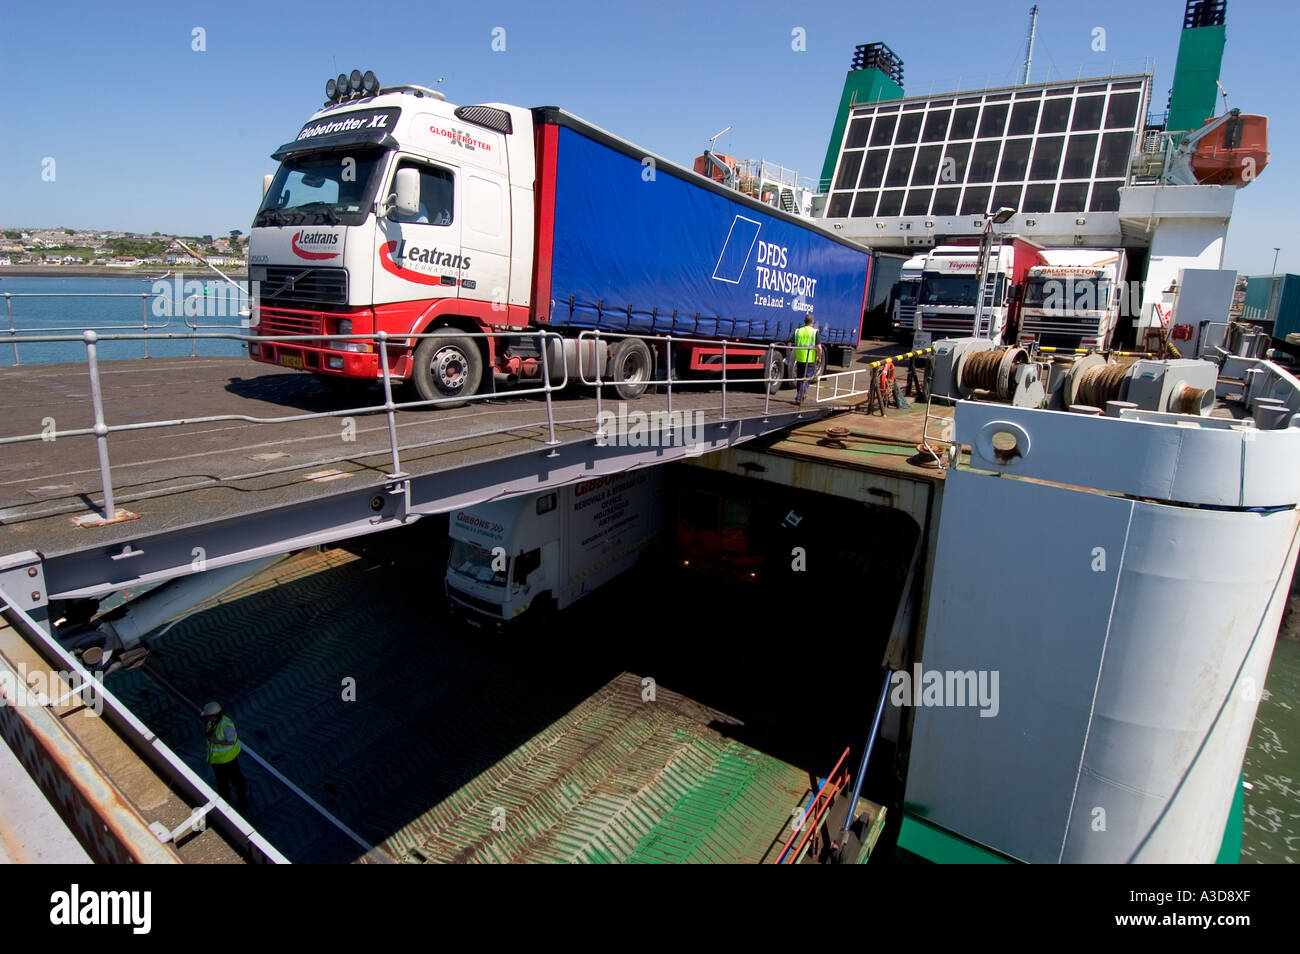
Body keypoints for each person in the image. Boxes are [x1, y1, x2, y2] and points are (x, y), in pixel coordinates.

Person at [202, 701, 248, 811]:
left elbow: (230, 741)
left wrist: (216, 741)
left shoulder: (227, 726)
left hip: (228, 760)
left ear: (214, 716)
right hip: (217, 761)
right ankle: (224, 801)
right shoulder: (212, 722)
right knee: (222, 783)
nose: (206, 718)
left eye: (208, 716)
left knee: (237, 782)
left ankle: (241, 802)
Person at [793, 314, 819, 407]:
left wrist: (788, 357)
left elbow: (791, 342)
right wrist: (819, 357)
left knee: (800, 378)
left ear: (804, 321)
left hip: (799, 358)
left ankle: (801, 396)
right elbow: (819, 347)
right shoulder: (814, 332)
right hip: (810, 358)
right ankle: (799, 397)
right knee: (807, 378)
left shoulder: (798, 331)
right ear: (812, 322)